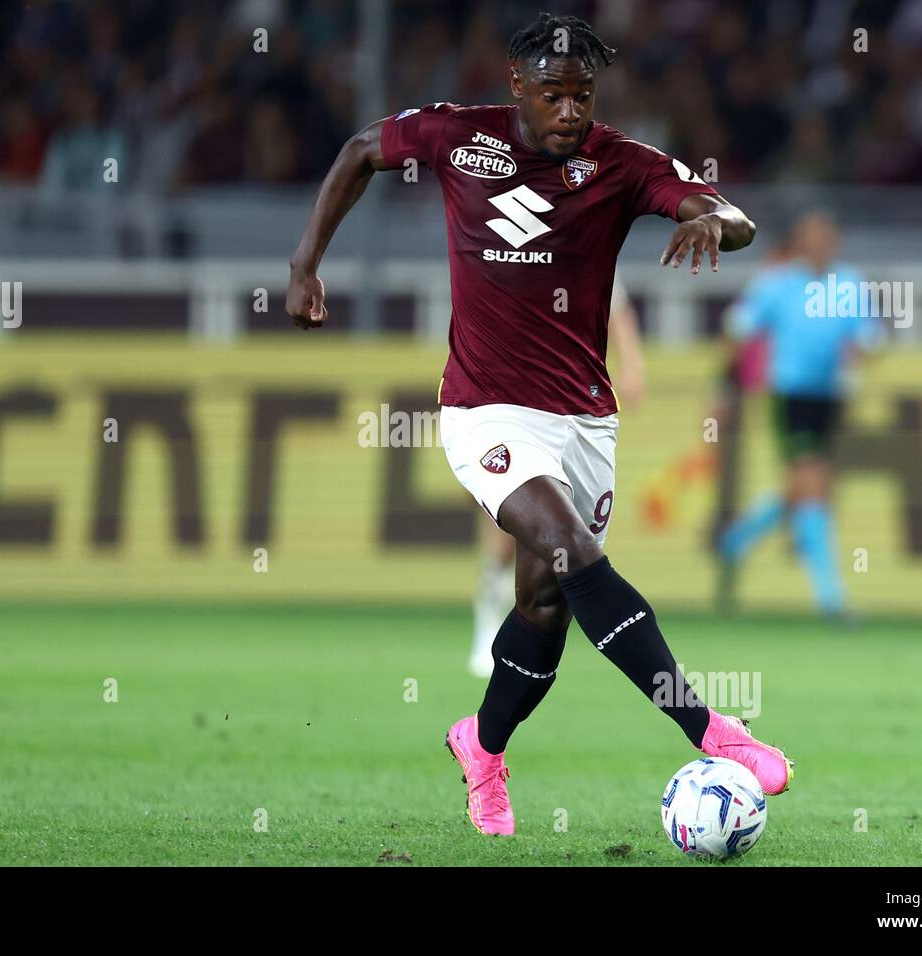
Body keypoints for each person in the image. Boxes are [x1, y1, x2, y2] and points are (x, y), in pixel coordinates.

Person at [286, 12, 792, 836]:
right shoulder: (458, 136)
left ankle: (480, 745)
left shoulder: (621, 163)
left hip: (584, 420)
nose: (569, 112)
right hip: (484, 409)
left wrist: (712, 224)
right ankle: (712, 729)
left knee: (545, 605)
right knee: (573, 552)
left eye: (582, 96)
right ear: (516, 84)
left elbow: (734, 216)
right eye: (553, 95)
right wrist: (306, 263)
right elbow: (358, 152)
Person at [469, 279, 643, 678]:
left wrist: (631, 364)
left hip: (570, 415)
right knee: (505, 536)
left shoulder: (583, 242)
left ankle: (529, 647)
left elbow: (615, 304)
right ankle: (487, 624)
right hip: (508, 409)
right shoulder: (505, 252)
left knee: (569, 537)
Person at [716, 212, 883, 618]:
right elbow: (738, 329)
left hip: (830, 398)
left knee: (804, 487)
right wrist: (723, 388)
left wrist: (857, 364)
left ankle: (735, 542)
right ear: (800, 242)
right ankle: (831, 598)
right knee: (813, 486)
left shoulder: (849, 284)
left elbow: (868, 337)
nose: (820, 244)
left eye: (826, 237)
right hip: (790, 395)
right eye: (811, 237)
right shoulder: (778, 283)